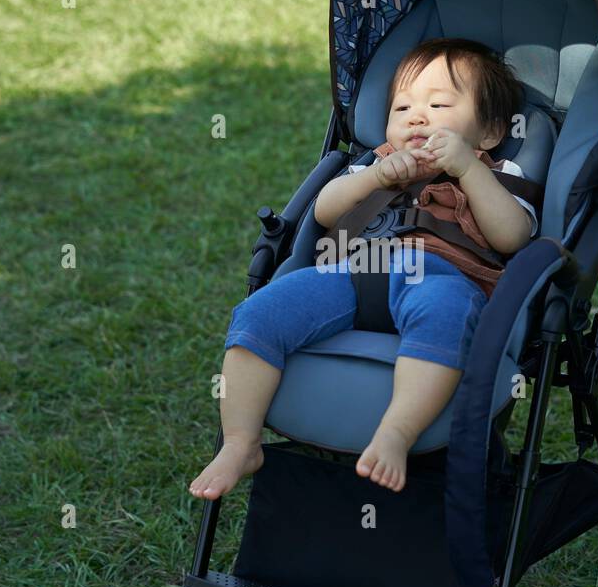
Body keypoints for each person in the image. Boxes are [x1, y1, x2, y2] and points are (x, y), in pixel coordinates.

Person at [189, 37, 537, 500]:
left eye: (438, 105)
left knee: (445, 314)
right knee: (260, 311)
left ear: (489, 132)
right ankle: (240, 442)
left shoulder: (497, 171)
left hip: (443, 277)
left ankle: (395, 432)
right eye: (402, 108)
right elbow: (325, 212)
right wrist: (375, 177)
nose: (417, 117)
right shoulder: (377, 162)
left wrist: (468, 172)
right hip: (355, 273)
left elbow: (512, 236)